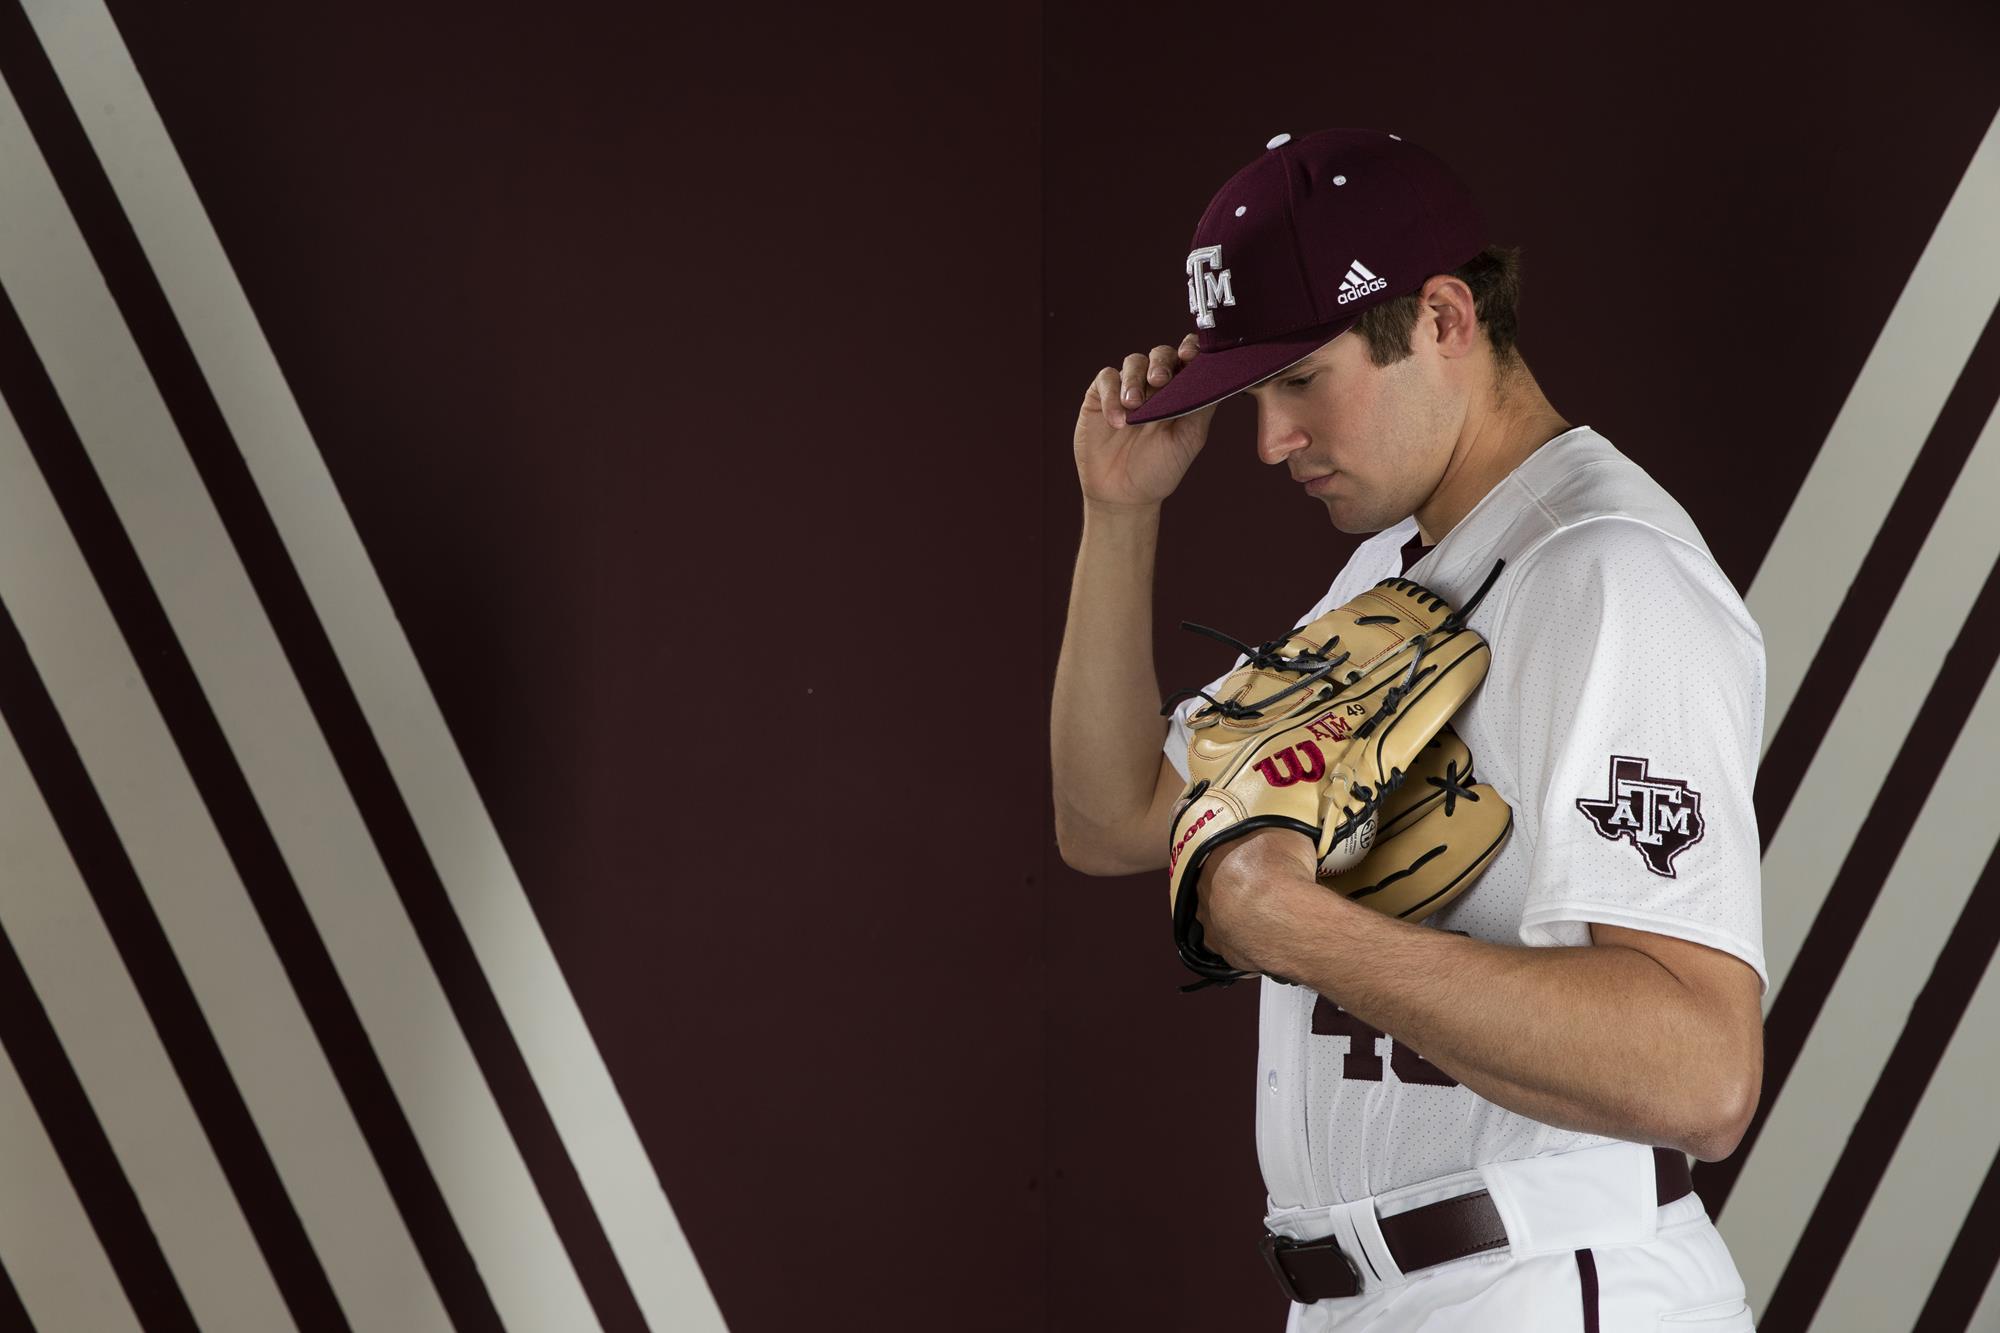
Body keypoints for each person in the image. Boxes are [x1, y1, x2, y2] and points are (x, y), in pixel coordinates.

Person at [1049, 128, 1767, 1331]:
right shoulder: (1392, 571)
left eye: (1299, 379)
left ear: (1442, 318)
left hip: (1544, 1280)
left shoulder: (1607, 574)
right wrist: (1115, 517)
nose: (1270, 440)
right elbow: (1111, 813)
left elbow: (1701, 1075)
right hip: (1377, 1295)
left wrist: (1298, 925)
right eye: (1251, 393)